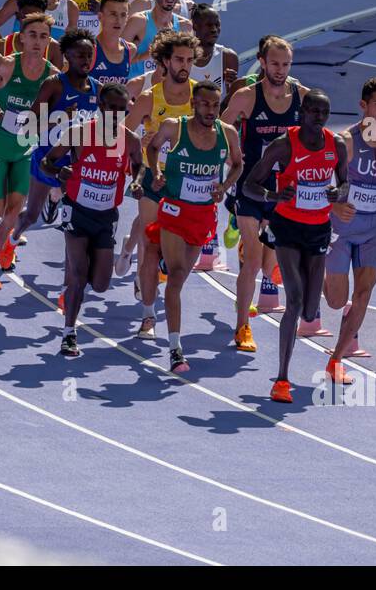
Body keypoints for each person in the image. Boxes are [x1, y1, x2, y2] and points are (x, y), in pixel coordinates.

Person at [244, 90, 355, 403]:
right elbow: (251, 185)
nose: (318, 117)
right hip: (288, 227)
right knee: (293, 303)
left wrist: (339, 192)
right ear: (302, 112)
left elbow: (345, 182)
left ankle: (283, 272)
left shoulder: (337, 145)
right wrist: (272, 197)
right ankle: (281, 379)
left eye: (324, 112)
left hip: (319, 230)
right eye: (313, 111)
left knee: (309, 310)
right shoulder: (284, 145)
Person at [219, 35, 310, 352]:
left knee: (274, 260)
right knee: (254, 262)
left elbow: (319, 135)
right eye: (274, 63)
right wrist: (229, 165)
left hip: (283, 192)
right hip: (250, 186)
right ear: (261, 62)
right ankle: (242, 326)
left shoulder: (302, 97)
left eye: (286, 64)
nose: (280, 70)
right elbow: (221, 130)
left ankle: (249, 237)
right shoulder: (246, 97)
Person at [144, 81, 243, 373]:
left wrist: (224, 186)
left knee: (181, 277)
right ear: (194, 103)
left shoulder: (228, 134)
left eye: (215, 105)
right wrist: (157, 173)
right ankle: (175, 349)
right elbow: (151, 147)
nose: (211, 110)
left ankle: (158, 254)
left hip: (202, 217)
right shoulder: (175, 128)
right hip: (174, 211)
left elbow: (237, 164)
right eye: (205, 104)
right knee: (175, 279)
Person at [42, 83, 141, 357]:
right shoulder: (79, 133)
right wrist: (59, 174)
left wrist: (138, 182)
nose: (117, 114)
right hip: (77, 210)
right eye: (112, 108)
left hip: (106, 215)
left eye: (122, 110)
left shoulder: (130, 139)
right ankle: (69, 333)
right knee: (77, 274)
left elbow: (140, 165)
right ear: (100, 106)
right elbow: (46, 162)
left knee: (100, 284)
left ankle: (77, 277)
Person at [322, 79, 376, 378]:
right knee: (334, 301)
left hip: (373, 227)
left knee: (364, 294)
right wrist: (334, 206)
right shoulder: (345, 142)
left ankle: (336, 359)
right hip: (342, 227)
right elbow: (322, 183)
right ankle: (315, 269)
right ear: (363, 106)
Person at [119, 31, 198, 314]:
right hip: (152, 175)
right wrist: (138, 141)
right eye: (179, 59)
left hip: (187, 181)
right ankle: (147, 310)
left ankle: (138, 255)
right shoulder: (149, 97)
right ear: (165, 61)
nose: (184, 65)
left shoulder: (200, 96)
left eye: (189, 60)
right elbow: (123, 132)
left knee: (179, 246)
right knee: (151, 240)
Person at [0, 14, 58, 290]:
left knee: (12, 214)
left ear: (49, 40)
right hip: (0, 148)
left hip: (26, 152)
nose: (37, 41)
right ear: (21, 38)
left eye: (43, 36)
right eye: (32, 35)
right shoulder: (9, 65)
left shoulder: (52, 76)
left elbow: (55, 114)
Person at [11, 28, 101, 244]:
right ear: (67, 56)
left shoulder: (97, 89)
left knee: (78, 217)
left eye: (89, 55)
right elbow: (27, 128)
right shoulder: (54, 85)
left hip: (76, 165)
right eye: (80, 55)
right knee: (31, 215)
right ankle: (11, 239)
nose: (86, 60)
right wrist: (57, 120)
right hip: (47, 158)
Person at [124, 0, 191, 76]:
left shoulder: (185, 26)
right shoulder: (138, 21)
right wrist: (146, 55)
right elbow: (116, 60)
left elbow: (188, 64)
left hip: (165, 90)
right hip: (137, 89)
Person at [0, 0, 64, 69]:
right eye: (27, 17)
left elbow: (56, 80)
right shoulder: (2, 46)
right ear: (18, 15)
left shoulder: (54, 48)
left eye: (35, 18)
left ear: (43, 16)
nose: (31, 22)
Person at [188, 3, 240, 105]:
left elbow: (228, 106)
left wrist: (232, 87)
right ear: (195, 26)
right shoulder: (183, 56)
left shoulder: (228, 57)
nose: (214, 29)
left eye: (217, 25)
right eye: (209, 25)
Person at [89, 0, 137, 87]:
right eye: (113, 14)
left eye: (123, 15)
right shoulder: (89, 49)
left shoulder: (130, 50)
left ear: (127, 18)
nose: (118, 21)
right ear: (100, 17)